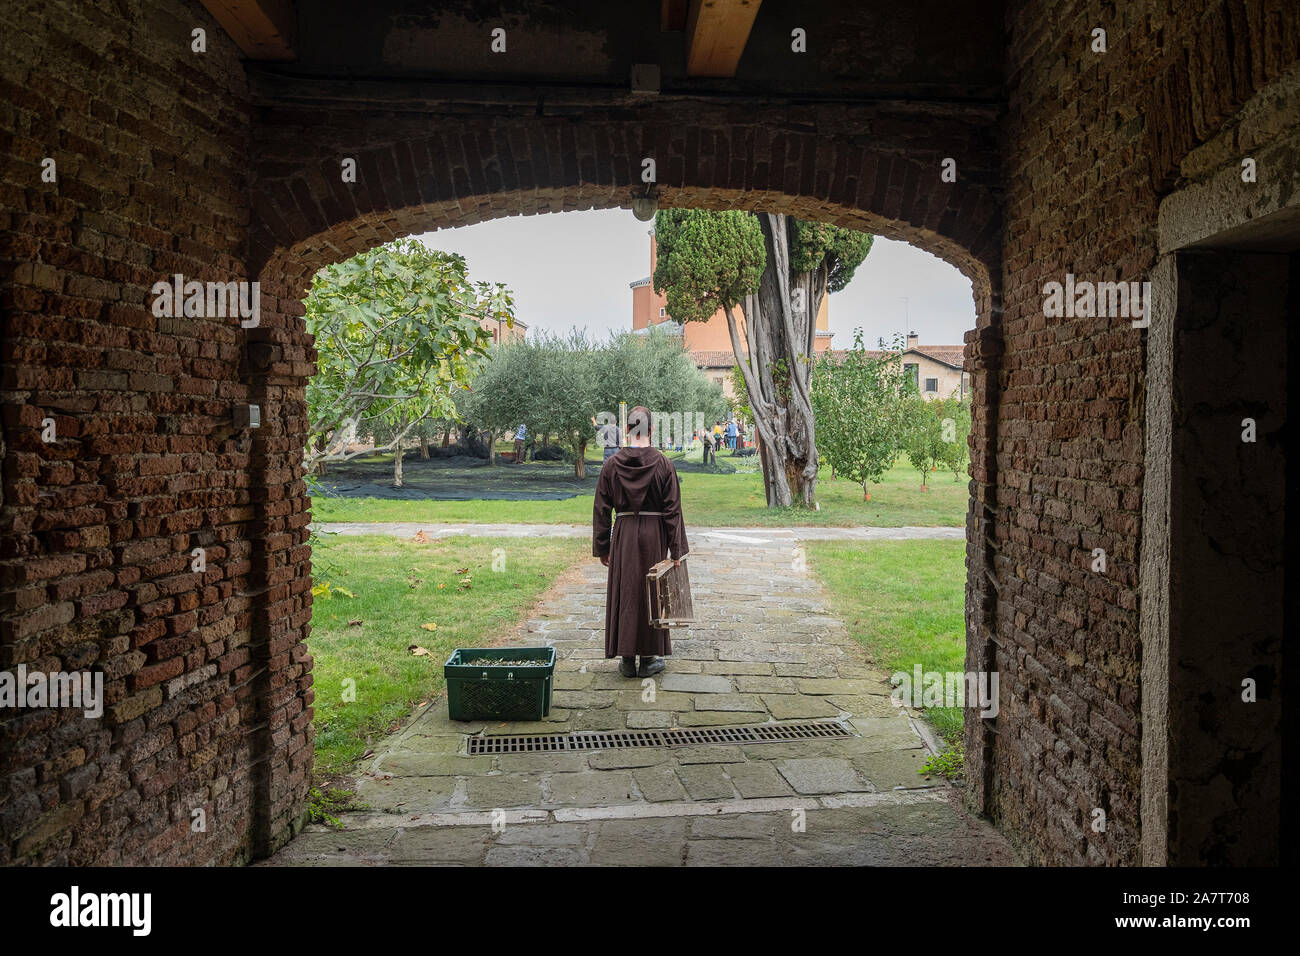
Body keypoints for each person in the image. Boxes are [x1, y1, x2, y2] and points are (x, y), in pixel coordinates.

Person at [593, 406, 689, 679]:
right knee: (651, 592)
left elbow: (601, 508)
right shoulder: (664, 465)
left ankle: (626, 659)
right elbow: (672, 510)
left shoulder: (611, 465)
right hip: (653, 533)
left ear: (626, 430)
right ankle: (648, 659)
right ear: (651, 430)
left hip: (624, 533)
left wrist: (603, 546)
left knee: (627, 589)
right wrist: (677, 550)